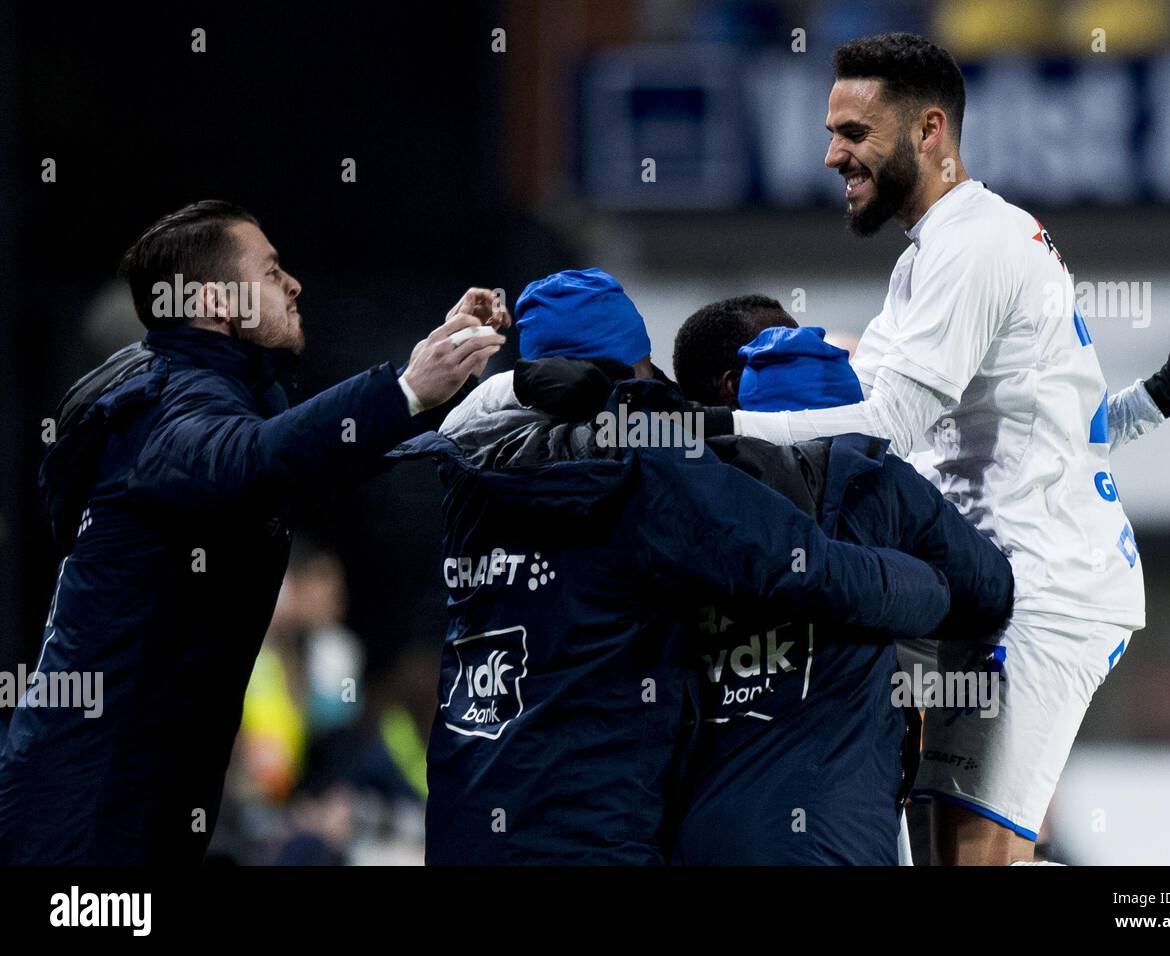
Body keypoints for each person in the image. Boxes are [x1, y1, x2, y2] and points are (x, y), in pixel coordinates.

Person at [718, 34, 1170, 864]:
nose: (833, 153)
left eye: (854, 133)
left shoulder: (972, 247)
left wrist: (704, 431)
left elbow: (892, 424)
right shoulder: (946, 251)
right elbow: (1059, 429)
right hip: (990, 584)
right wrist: (1161, 397)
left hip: (1044, 593)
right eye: (833, 131)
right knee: (935, 844)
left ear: (928, 130)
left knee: (971, 858)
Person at [0, 200, 504, 864]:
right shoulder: (168, 408)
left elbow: (311, 455)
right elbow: (257, 457)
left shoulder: (225, 397)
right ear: (215, 299)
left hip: (136, 800)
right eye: (269, 270)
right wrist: (408, 387)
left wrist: (437, 384)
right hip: (85, 816)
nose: (292, 283)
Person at [396, 269, 954, 864]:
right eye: (645, 363)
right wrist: (930, 584)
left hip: (462, 825)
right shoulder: (643, 463)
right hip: (594, 839)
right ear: (625, 370)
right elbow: (807, 566)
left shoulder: (463, 470)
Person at [666, 324, 1014, 864]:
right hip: (835, 837)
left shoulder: (685, 496)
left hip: (699, 835)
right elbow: (989, 592)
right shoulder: (881, 482)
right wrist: (912, 588)